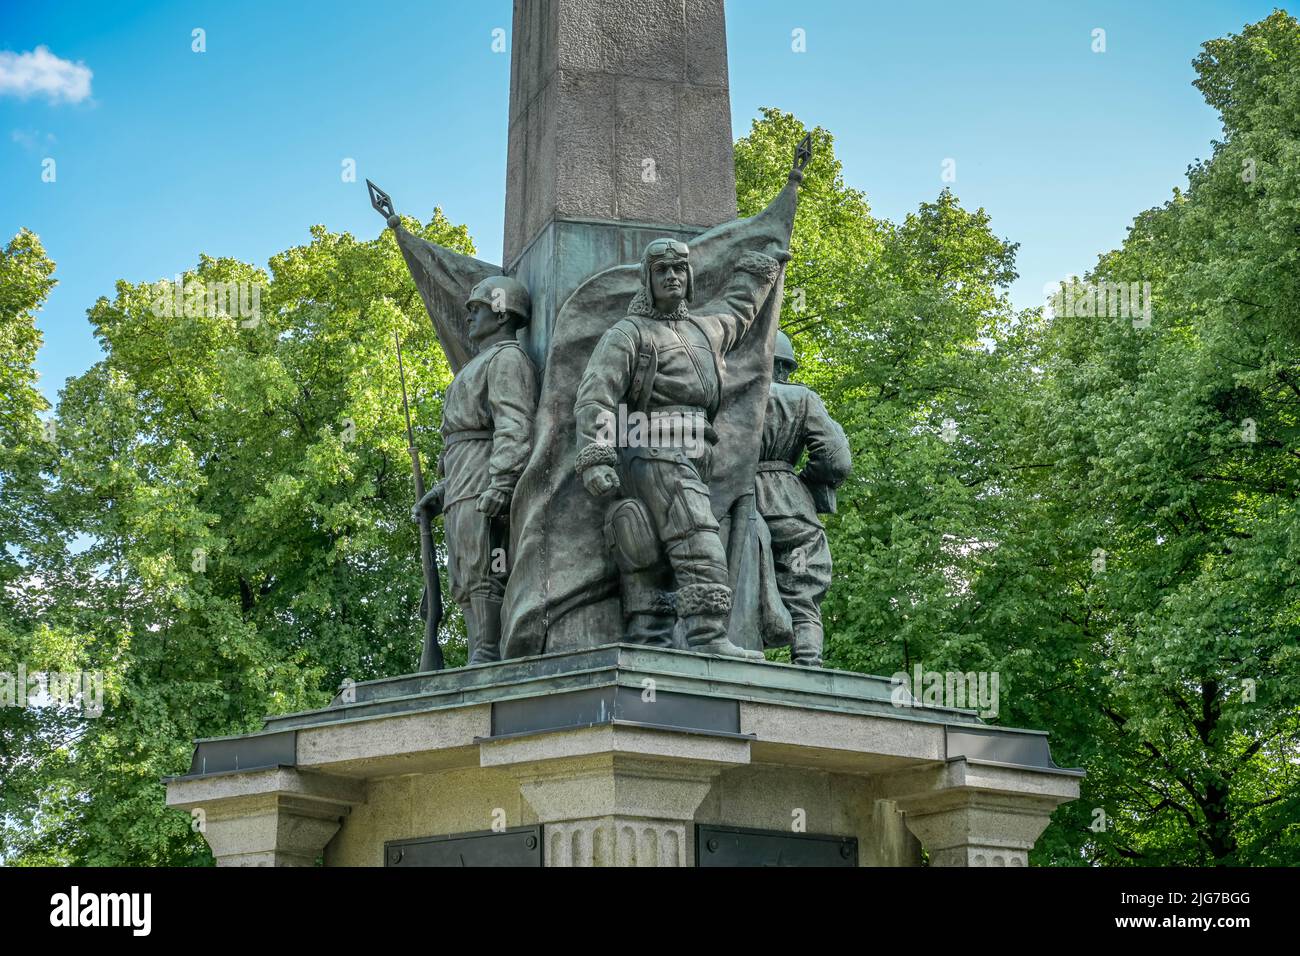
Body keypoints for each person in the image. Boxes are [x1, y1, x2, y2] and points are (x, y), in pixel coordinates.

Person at [573, 238, 786, 659]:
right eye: (662, 270)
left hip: (698, 454)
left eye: (680, 270)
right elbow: (596, 395)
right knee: (697, 537)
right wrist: (595, 457)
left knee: (648, 550)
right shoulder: (628, 333)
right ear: (647, 280)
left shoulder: (705, 328)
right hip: (653, 449)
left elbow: (740, 309)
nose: (672, 276)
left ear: (689, 278)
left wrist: (762, 270)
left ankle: (648, 640)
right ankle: (708, 638)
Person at [414, 276, 537, 664]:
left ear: (502, 314)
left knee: (485, 566)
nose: (469, 315)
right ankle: (476, 653)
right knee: (464, 571)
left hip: (484, 477)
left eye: (477, 307)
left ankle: (486, 653)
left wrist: (502, 482)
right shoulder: (479, 363)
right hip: (464, 477)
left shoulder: (507, 359)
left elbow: (513, 425)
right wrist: (445, 489)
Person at [755, 331, 851, 667]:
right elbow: (837, 459)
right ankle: (807, 661)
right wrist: (802, 484)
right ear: (785, 365)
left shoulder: (730, 394)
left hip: (735, 503)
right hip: (791, 510)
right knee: (803, 587)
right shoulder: (802, 399)